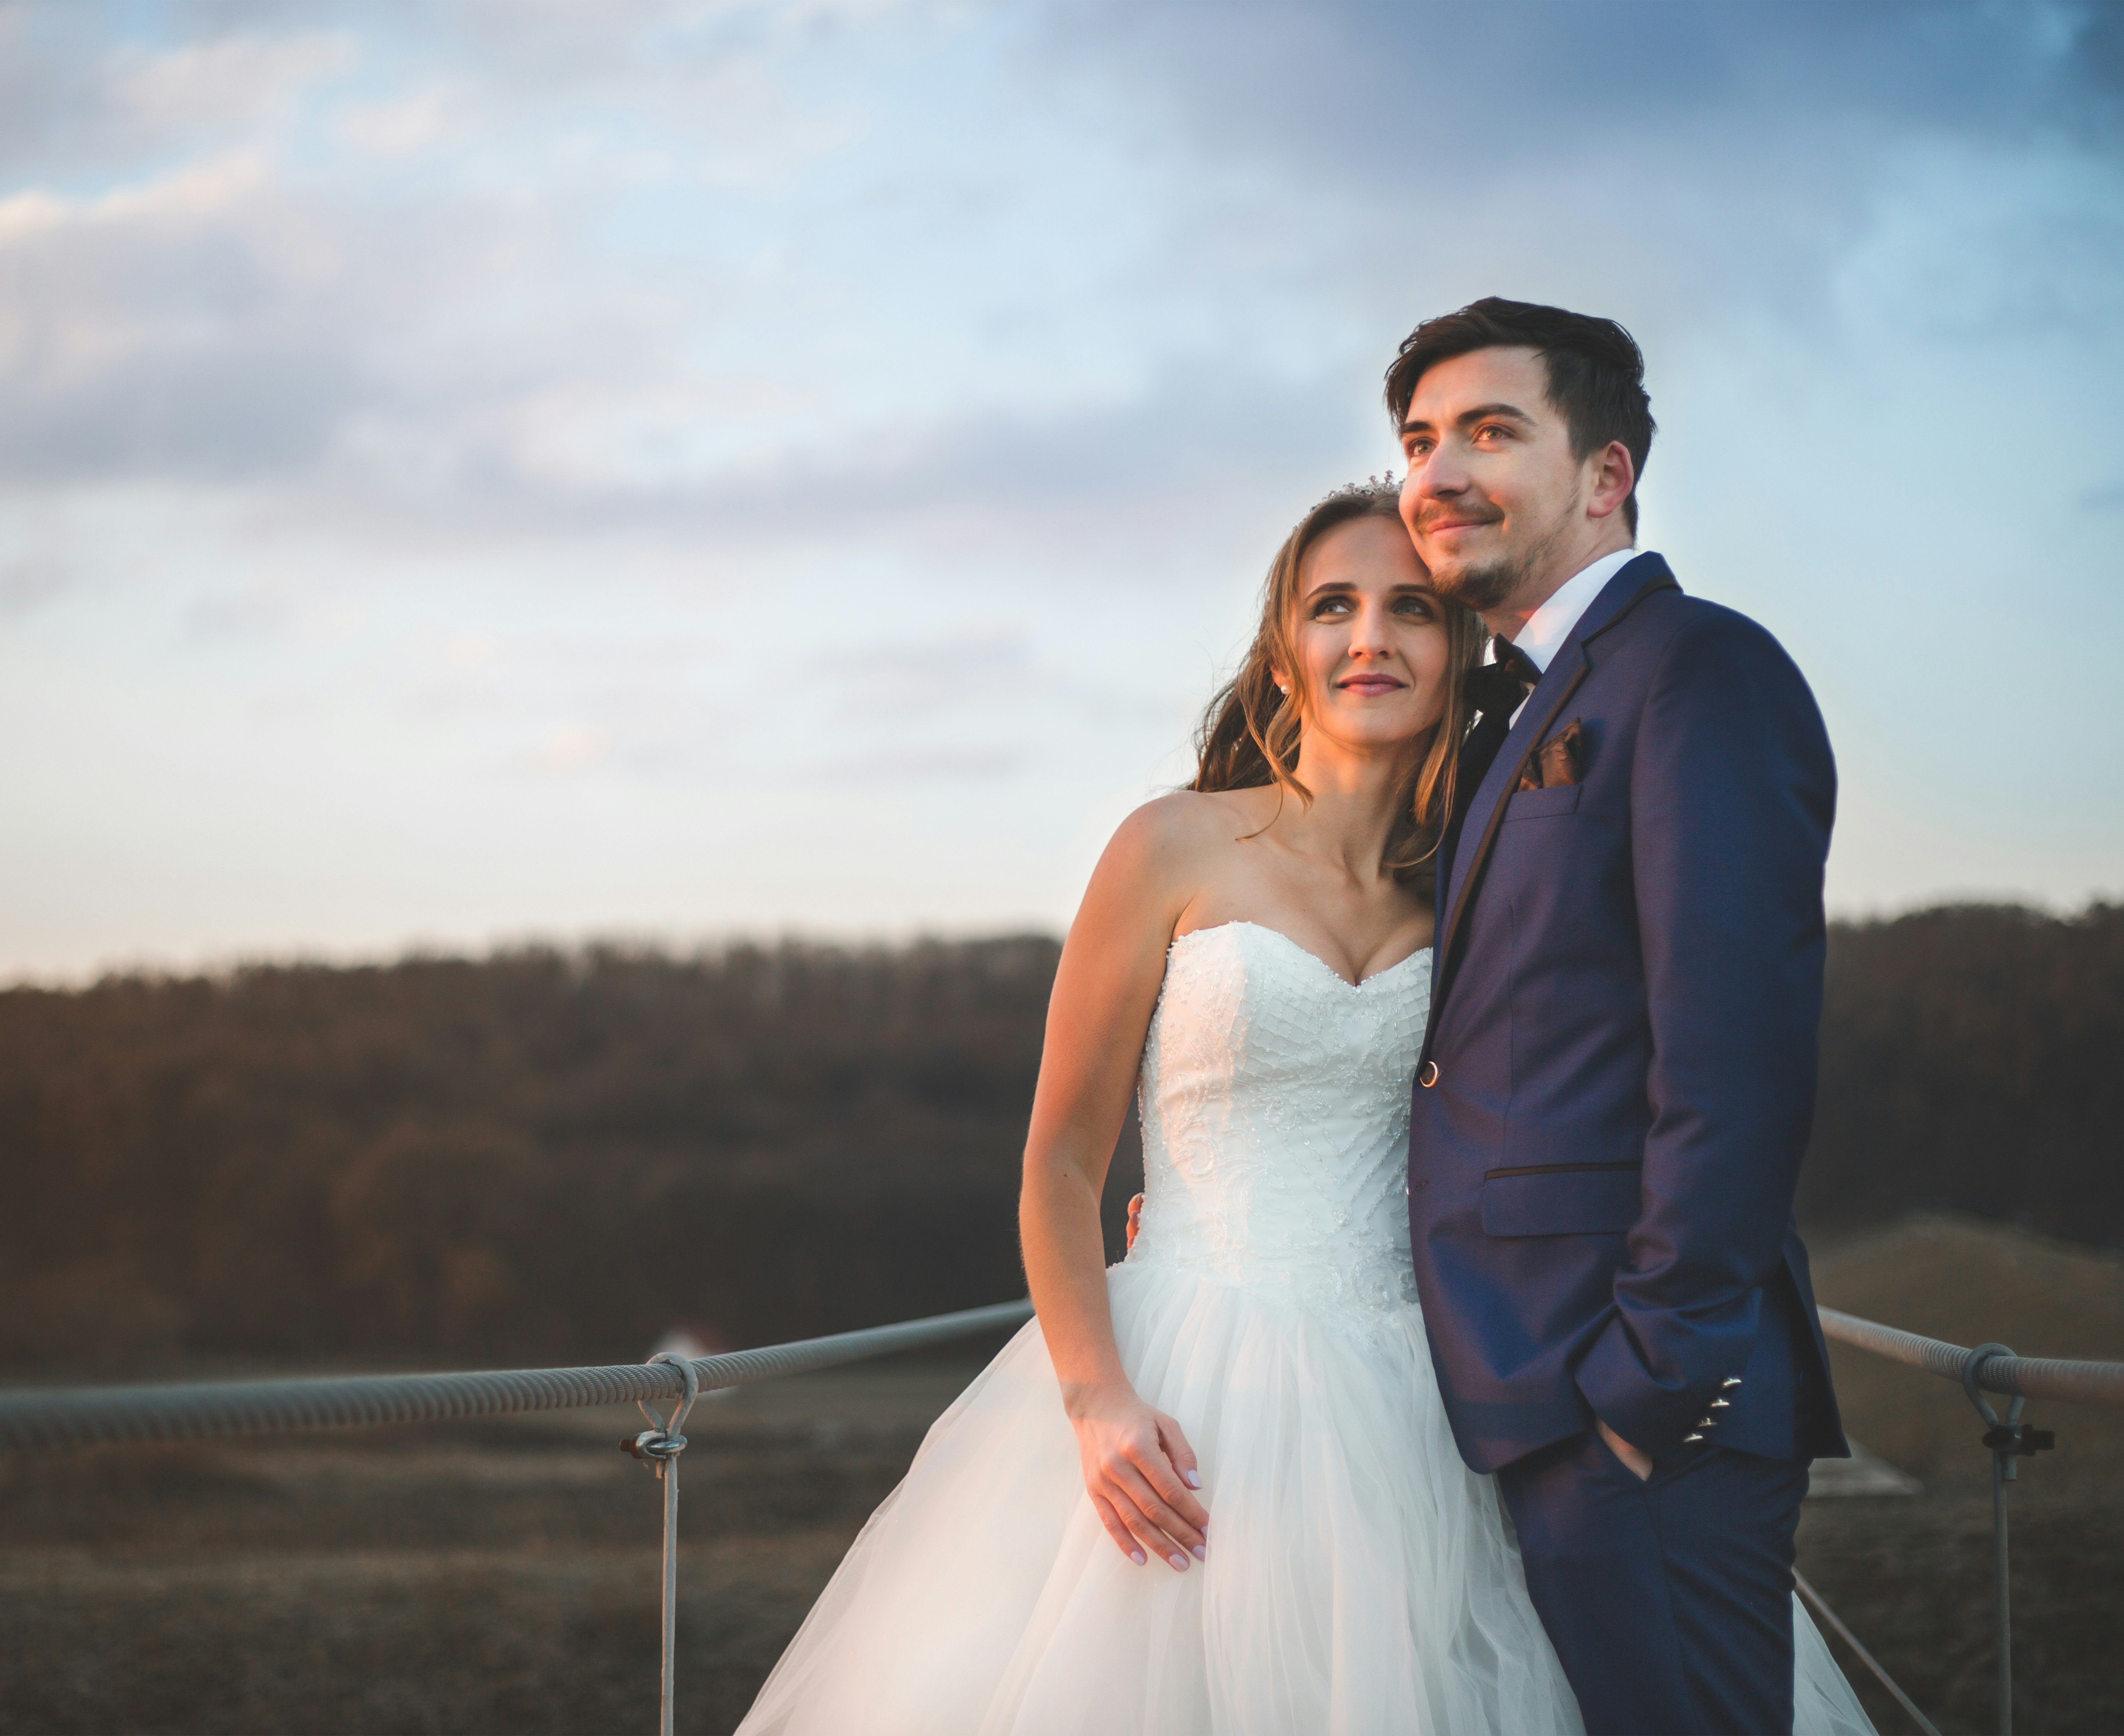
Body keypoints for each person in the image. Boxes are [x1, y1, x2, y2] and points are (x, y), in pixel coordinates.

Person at [731, 469, 1873, 1733]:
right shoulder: (1169, 845)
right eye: (1333, 607)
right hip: (1188, 1377)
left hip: (1442, 1390)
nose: (1369, 637)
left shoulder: (1480, 889)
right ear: (1285, 653)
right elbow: (1060, 1161)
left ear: (1463, 650)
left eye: (1411, 609)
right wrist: (1097, 1399)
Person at [1393, 298, 1851, 1736]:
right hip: (1528, 1393)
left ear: (1607, 475)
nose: (1438, 473)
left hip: (1636, 1404)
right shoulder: (1513, 712)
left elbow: (1734, 1063)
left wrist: (1652, 1387)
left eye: (1490, 432)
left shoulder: (1699, 672)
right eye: (1419, 441)